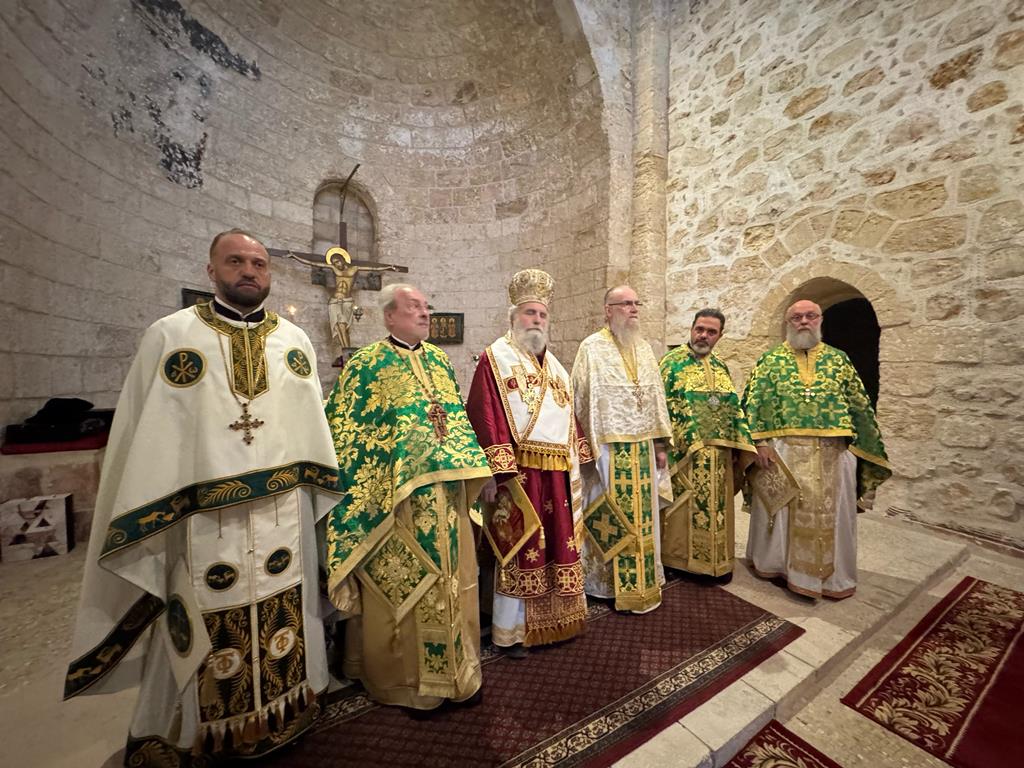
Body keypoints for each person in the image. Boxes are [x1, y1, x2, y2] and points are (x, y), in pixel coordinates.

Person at [64, 229, 342, 764]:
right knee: (203, 610)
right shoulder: (169, 337)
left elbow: (313, 436)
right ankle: (196, 731)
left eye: (259, 264)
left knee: (288, 604)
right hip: (199, 522)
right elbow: (145, 440)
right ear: (210, 269)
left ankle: (290, 707)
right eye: (235, 261)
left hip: (284, 512)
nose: (249, 271)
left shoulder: (296, 342)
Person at [323, 283, 491, 710]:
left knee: (453, 584)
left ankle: (458, 672)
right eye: (413, 307)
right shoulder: (366, 364)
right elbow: (348, 435)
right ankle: (409, 684)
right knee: (409, 589)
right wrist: (377, 491)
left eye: (425, 307)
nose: (424, 313)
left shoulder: (438, 360)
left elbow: (453, 421)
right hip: (397, 505)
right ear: (389, 316)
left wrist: (476, 470)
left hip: (448, 499)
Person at [465, 269, 592, 657]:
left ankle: (559, 621)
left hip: (556, 475)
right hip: (518, 475)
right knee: (520, 548)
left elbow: (569, 418)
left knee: (559, 545)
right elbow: (485, 414)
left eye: (541, 315)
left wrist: (579, 457)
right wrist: (496, 472)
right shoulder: (495, 358)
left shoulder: (557, 367)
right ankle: (513, 629)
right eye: (529, 314)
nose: (536, 320)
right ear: (513, 318)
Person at [742, 299, 890, 599]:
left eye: (810, 316)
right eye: (796, 317)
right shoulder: (770, 361)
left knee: (833, 515)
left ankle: (830, 578)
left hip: (832, 453)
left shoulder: (838, 360)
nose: (803, 322)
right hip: (783, 451)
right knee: (780, 512)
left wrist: (862, 449)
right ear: (788, 323)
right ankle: (777, 567)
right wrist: (759, 443)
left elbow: (860, 407)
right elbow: (753, 404)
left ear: (820, 320)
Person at [571, 286, 672, 613]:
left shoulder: (643, 348)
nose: (633, 309)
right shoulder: (591, 347)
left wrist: (659, 444)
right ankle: (605, 585)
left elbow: (656, 397)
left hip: (642, 449)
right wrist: (586, 449)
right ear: (608, 310)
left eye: (635, 303)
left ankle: (644, 583)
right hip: (608, 452)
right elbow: (580, 399)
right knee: (606, 511)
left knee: (644, 522)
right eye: (625, 304)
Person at [659, 308, 757, 582]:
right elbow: (660, 408)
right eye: (700, 329)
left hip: (720, 457)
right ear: (691, 329)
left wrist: (742, 447)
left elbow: (732, 408)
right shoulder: (670, 363)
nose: (704, 335)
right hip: (685, 454)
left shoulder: (720, 366)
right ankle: (678, 561)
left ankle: (716, 563)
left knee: (716, 512)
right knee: (682, 508)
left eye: (711, 332)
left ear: (720, 335)